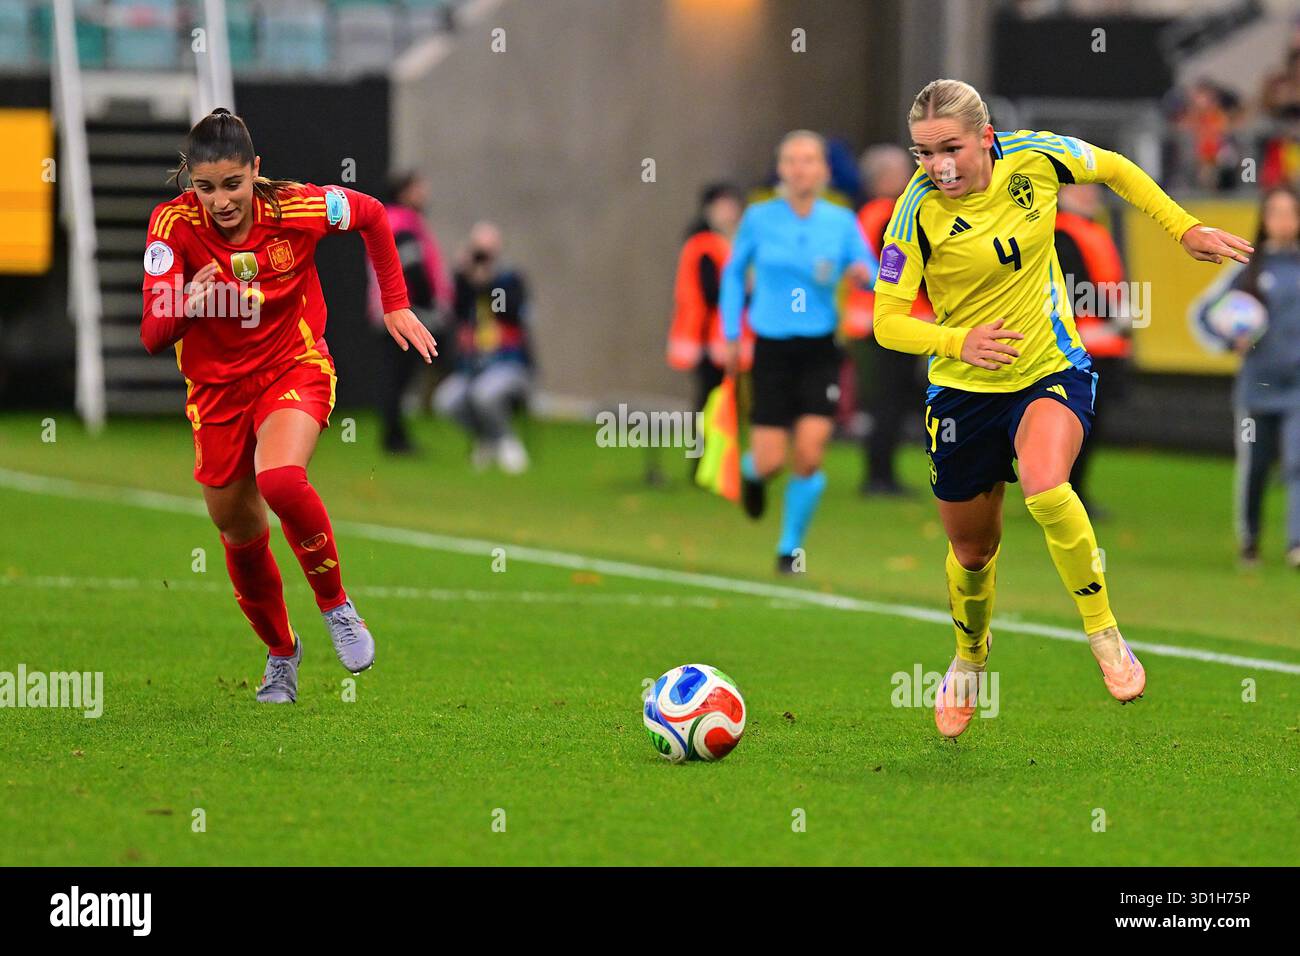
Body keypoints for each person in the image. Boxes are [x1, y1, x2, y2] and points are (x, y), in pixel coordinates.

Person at [872, 79, 1252, 738]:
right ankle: (969, 656)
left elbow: (1117, 169)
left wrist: (1182, 226)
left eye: (952, 149)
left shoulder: (1037, 157)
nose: (939, 167)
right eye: (924, 153)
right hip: (964, 391)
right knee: (971, 549)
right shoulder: (914, 213)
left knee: (1048, 488)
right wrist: (959, 340)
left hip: (1051, 368)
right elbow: (886, 322)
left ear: (985, 138)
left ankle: (1105, 634)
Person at [139, 108, 437, 704]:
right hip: (217, 393)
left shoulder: (296, 207)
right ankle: (281, 653)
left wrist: (396, 302)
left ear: (256, 171)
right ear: (188, 182)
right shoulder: (170, 227)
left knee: (278, 478)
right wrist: (187, 305)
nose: (221, 200)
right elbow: (152, 334)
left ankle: (337, 607)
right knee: (239, 532)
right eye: (205, 187)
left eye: (233, 184)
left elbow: (374, 216)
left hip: (292, 366)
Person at [720, 130, 878, 574]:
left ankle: (789, 549)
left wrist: (864, 275)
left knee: (809, 454)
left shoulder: (841, 221)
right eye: (791, 160)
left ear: (824, 170)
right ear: (780, 169)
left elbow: (868, 268)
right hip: (772, 346)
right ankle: (752, 474)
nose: (800, 168)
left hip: (820, 349)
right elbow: (734, 276)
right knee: (771, 460)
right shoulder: (759, 217)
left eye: (809, 160)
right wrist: (731, 334)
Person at [1194, 186, 1300, 569]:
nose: (1284, 220)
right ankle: (1251, 540)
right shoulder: (1250, 269)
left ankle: (1295, 544)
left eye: (1291, 212)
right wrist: (1228, 338)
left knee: (1297, 463)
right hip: (1257, 390)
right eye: (1276, 212)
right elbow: (1204, 314)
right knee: (1255, 468)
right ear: (1264, 219)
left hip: (1297, 390)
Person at [846, 144, 932, 496]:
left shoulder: (867, 213)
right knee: (889, 401)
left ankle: (881, 474)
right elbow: (899, 266)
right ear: (885, 177)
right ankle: (879, 477)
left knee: (886, 399)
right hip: (889, 321)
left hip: (868, 320)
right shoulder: (889, 213)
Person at [1054, 182, 1131, 514]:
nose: (1091, 195)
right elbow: (1073, 288)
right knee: (1076, 425)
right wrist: (1116, 314)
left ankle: (1072, 492)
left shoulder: (1089, 230)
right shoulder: (1061, 234)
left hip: (1100, 344)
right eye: (1081, 189)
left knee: (1088, 426)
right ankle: (1064, 493)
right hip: (1077, 348)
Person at [434, 221, 533, 473]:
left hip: (509, 365)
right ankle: (487, 438)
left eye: (487, 252)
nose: (482, 258)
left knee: (484, 394)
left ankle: (508, 443)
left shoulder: (510, 279)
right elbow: (452, 315)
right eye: (477, 251)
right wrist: (462, 276)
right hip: (472, 367)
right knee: (445, 400)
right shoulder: (465, 281)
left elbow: (515, 313)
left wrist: (489, 283)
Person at [368, 170, 452, 454]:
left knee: (396, 376)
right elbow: (412, 266)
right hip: (404, 312)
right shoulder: (402, 222)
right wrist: (428, 306)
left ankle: (395, 436)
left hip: (394, 310)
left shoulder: (390, 219)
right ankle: (394, 439)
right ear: (404, 192)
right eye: (418, 188)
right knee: (398, 376)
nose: (424, 194)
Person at [667, 183, 751, 416]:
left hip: (729, 333)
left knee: (727, 397)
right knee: (709, 396)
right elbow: (711, 291)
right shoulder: (704, 245)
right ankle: (701, 449)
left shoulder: (736, 244)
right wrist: (746, 293)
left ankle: (721, 448)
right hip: (706, 334)